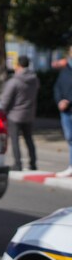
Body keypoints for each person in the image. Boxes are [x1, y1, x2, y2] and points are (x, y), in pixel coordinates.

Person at [0, 55, 39, 171]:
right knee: (29, 139)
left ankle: (18, 163)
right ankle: (33, 163)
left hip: (15, 115)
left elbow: (5, 100)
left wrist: (2, 112)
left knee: (15, 140)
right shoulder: (35, 80)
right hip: (29, 114)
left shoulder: (14, 82)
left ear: (18, 65)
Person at [55, 46, 72, 177]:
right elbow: (57, 87)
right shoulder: (65, 70)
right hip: (65, 111)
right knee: (69, 138)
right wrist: (60, 100)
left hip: (69, 106)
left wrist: (68, 101)